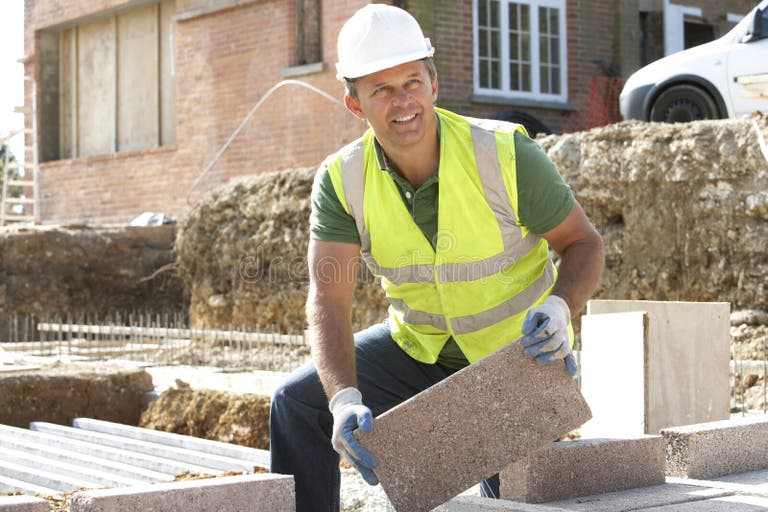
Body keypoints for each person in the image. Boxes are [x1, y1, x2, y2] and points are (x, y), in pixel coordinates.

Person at [270, 4, 604, 511]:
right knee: (296, 402)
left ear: (434, 84)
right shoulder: (342, 181)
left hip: (515, 361)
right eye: (380, 89)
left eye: (411, 82)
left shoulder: (505, 156)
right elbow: (328, 300)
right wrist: (343, 400)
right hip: (418, 350)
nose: (401, 101)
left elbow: (584, 245)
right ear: (354, 104)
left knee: (510, 500)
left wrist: (560, 307)